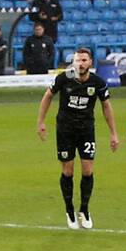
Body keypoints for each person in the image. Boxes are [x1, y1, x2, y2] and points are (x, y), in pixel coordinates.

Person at [37, 48, 118, 230]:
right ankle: (69, 210)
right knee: (68, 171)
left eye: (83, 60)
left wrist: (113, 133)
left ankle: (84, 209)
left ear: (90, 62)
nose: (80, 64)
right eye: (77, 60)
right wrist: (41, 121)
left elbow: (106, 106)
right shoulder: (64, 78)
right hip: (65, 130)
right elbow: (48, 96)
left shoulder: (97, 83)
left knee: (88, 170)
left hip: (86, 130)